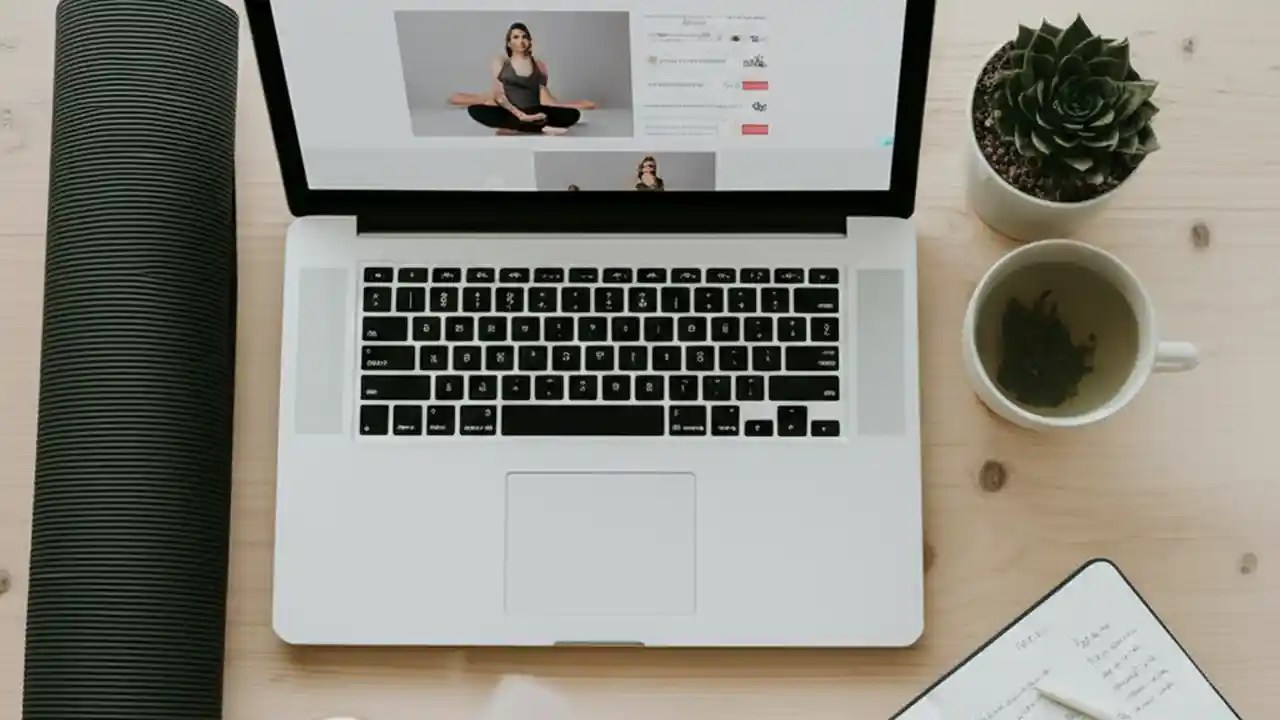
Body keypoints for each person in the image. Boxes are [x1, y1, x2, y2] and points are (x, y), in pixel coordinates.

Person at [460, 23, 597, 136]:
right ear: (509, 43)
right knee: (475, 110)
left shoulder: (540, 66)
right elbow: (498, 95)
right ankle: (538, 127)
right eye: (516, 37)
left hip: (534, 111)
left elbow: (546, 98)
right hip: (511, 111)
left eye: (524, 37)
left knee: (572, 115)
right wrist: (521, 116)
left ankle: (519, 126)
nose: (521, 41)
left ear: (530, 41)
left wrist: (573, 105)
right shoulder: (500, 62)